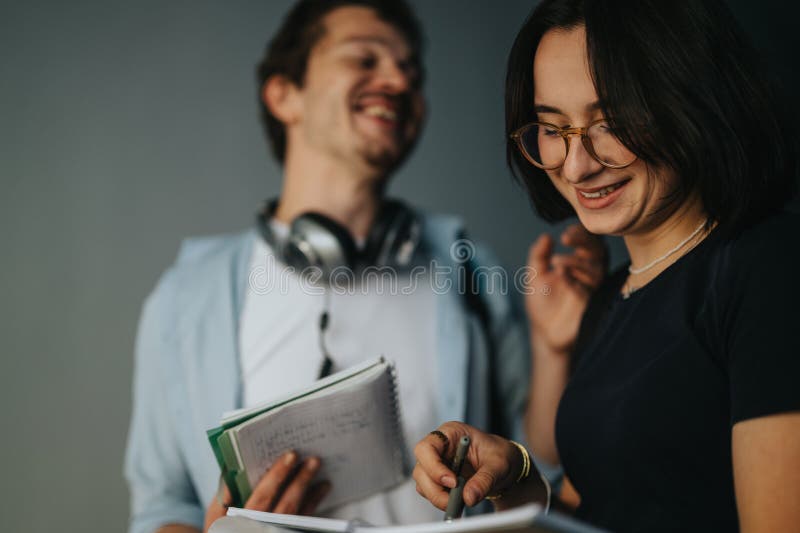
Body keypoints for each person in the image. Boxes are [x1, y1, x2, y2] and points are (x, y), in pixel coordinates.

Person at [123, 1, 606, 532]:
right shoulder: (187, 296)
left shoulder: (469, 269)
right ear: (284, 94)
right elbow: (162, 508)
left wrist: (551, 349)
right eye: (365, 59)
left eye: (411, 71)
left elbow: (541, 474)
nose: (398, 79)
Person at [412, 0, 800, 531]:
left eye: (610, 121)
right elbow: (599, 506)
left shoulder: (770, 270)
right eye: (553, 128)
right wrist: (512, 474)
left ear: (695, 100)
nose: (578, 164)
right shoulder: (611, 297)